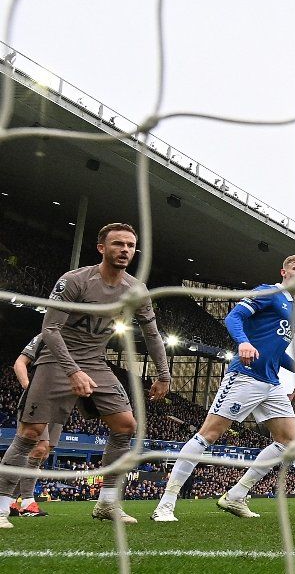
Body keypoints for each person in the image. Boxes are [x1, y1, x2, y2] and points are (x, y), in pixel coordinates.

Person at [0, 223, 171, 528]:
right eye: (118, 244)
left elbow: (153, 334)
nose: (125, 250)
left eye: (131, 246)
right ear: (102, 248)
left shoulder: (136, 289)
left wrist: (164, 374)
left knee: (126, 426)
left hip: (95, 362)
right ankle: (1, 506)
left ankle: (106, 504)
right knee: (29, 435)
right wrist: (73, 371)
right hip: (56, 359)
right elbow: (49, 330)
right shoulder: (75, 281)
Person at [151, 255, 295, 522]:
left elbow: (277, 352)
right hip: (245, 376)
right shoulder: (268, 292)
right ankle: (165, 504)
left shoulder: (293, 310)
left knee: (288, 442)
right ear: (284, 272)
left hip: (271, 382)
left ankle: (235, 496)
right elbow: (234, 318)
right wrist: (243, 342)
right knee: (208, 435)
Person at [6, 334, 65, 518]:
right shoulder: (45, 336)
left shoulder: (82, 340)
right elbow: (19, 363)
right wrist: (28, 387)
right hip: (39, 399)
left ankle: (12, 500)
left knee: (45, 450)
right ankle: (28, 502)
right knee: (37, 448)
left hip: (61, 402)